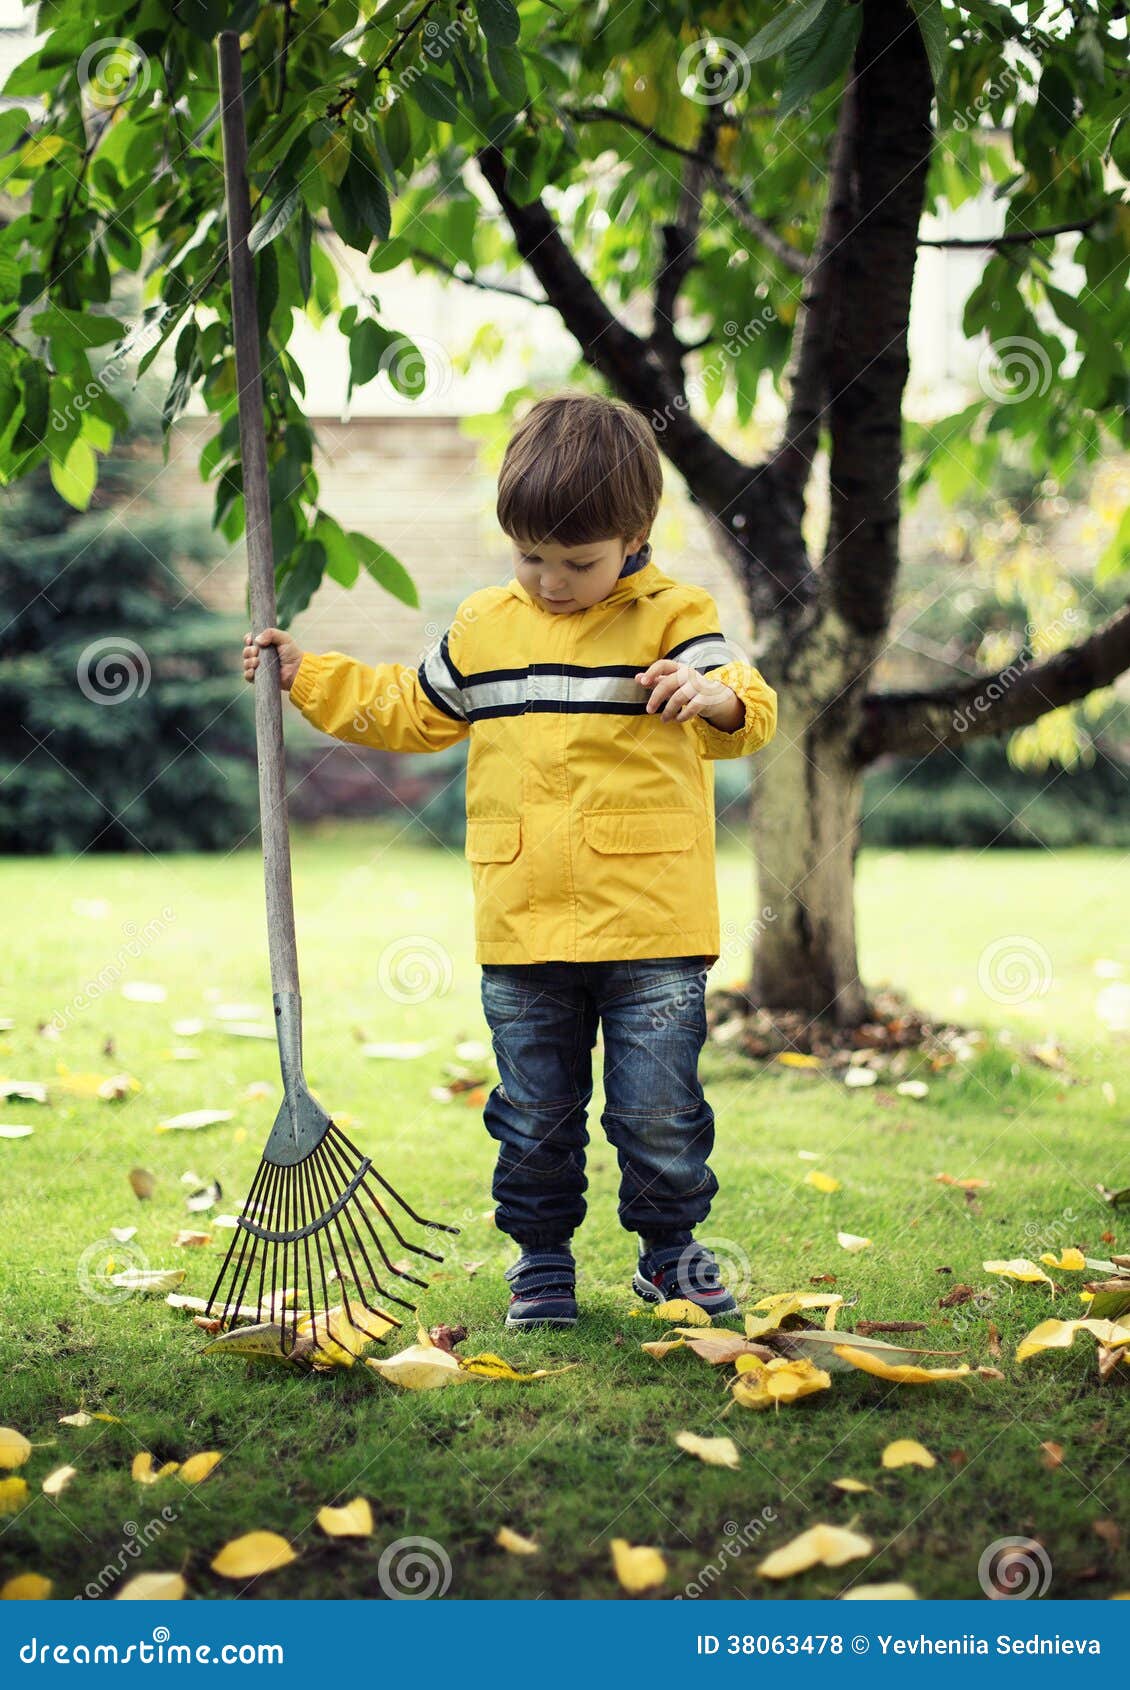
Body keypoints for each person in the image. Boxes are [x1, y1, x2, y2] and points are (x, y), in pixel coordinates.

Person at [242, 393, 778, 1330]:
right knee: (533, 1115)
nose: (553, 581)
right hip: (523, 922)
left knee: (658, 1113)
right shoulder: (486, 625)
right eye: (533, 557)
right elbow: (411, 708)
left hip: (653, 925)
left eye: (579, 562)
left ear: (636, 535)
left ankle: (668, 1253)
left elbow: (745, 704)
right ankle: (540, 1262)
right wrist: (308, 676)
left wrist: (712, 696)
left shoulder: (672, 617)